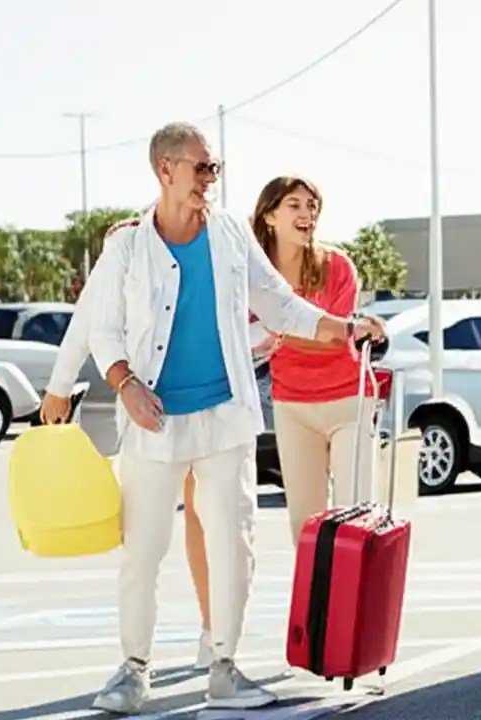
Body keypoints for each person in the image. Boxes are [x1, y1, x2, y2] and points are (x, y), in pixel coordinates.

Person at [69, 121, 384, 714]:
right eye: (201, 168)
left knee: (234, 544)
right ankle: (133, 668)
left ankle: (224, 665)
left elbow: (279, 304)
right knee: (143, 548)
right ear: (166, 169)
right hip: (156, 420)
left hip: (224, 417)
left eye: (214, 168)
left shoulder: (231, 234)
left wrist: (346, 328)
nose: (211, 179)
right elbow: (103, 329)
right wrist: (124, 383)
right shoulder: (129, 244)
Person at [42, 220, 218, 674]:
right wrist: (59, 386)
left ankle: (214, 633)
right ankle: (139, 659)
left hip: (211, 414)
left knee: (214, 528)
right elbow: (86, 322)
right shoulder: (123, 256)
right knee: (145, 543)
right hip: (150, 415)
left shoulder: (202, 252)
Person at [248, 176, 377, 541]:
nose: (307, 213)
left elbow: (338, 339)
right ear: (269, 216)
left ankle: (357, 598)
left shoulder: (337, 267)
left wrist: (281, 335)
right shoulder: (254, 275)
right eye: (295, 205)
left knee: (356, 521)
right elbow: (244, 334)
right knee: (305, 527)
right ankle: (315, 599)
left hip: (349, 403)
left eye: (312, 206)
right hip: (293, 406)